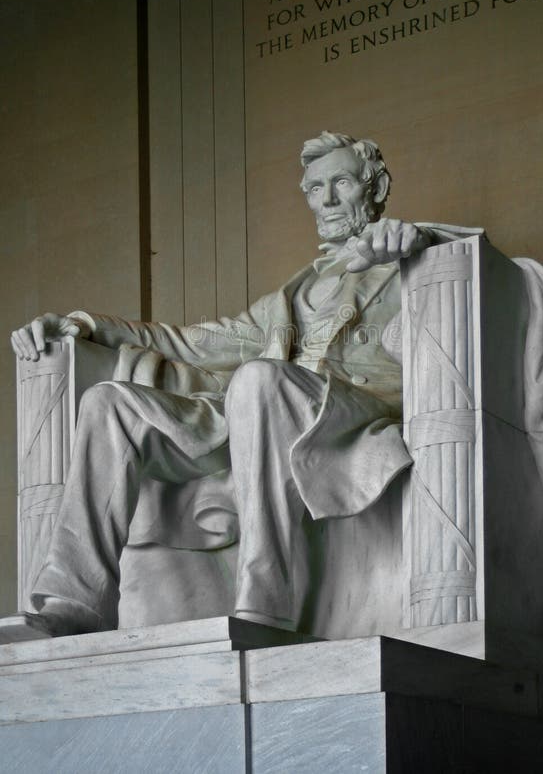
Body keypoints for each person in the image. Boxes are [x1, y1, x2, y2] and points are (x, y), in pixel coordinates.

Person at [9, 131, 481, 636]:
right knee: (108, 404)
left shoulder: (414, 254)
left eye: (341, 182)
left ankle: (265, 601)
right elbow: (190, 342)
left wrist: (418, 246)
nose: (325, 199)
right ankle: (75, 604)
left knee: (259, 380)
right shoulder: (293, 294)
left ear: (376, 186)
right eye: (314, 187)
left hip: (351, 413)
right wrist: (87, 325)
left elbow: (475, 271)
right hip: (259, 411)